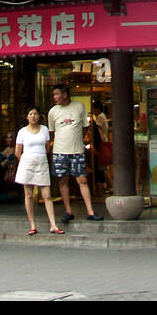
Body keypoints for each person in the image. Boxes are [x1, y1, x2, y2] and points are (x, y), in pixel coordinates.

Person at [48, 85, 102, 222]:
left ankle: (90, 211)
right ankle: (68, 211)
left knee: (82, 179)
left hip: (77, 150)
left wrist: (78, 139)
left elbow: (85, 127)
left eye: (57, 94)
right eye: (54, 94)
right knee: (63, 180)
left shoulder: (79, 107)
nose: (54, 97)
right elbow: (52, 132)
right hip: (60, 151)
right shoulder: (52, 112)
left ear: (65, 95)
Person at [15, 108, 60, 235]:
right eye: (30, 114)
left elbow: (47, 147)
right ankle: (32, 225)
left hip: (41, 162)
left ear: (39, 116)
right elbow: (18, 152)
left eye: (35, 114)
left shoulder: (44, 129)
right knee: (28, 194)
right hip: (27, 162)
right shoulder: (22, 132)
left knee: (47, 195)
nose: (33, 116)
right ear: (27, 117)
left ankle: (53, 224)